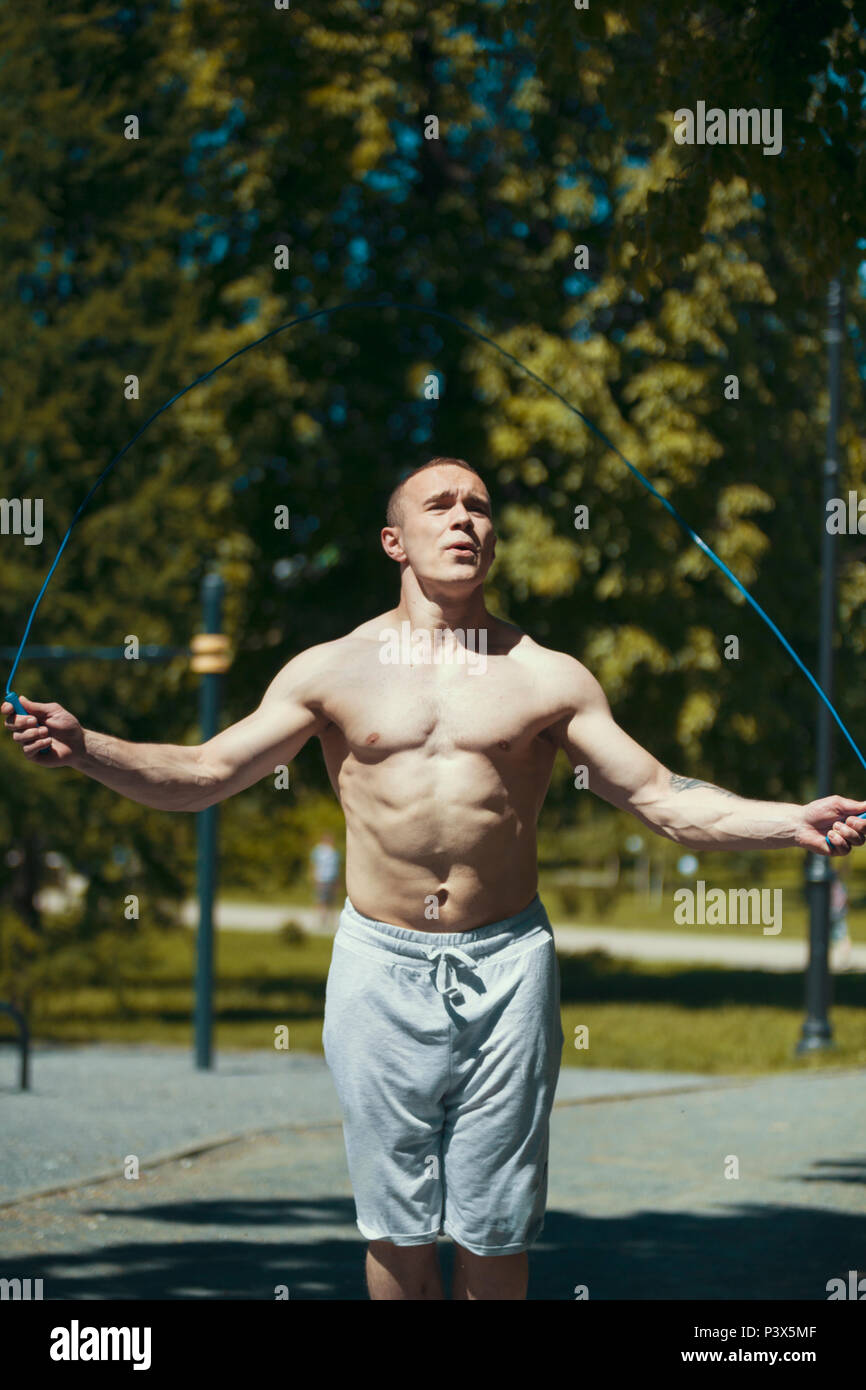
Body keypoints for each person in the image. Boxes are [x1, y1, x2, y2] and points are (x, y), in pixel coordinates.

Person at [5, 455, 866, 1303]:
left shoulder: (549, 676)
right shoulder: (330, 670)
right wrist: (89, 750)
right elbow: (202, 775)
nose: (465, 520)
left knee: (497, 1229)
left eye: (481, 508)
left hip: (509, 964)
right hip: (379, 964)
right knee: (397, 1228)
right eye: (441, 506)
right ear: (394, 540)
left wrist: (788, 820)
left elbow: (659, 796)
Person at [309, 831, 342, 930]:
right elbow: (314, 864)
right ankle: (323, 920)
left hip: (327, 878)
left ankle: (326, 921)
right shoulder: (323, 852)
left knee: (327, 901)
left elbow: (336, 867)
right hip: (324, 878)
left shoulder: (331, 852)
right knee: (324, 900)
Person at [829, 870, 853, 971]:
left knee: (830, 936)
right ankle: (844, 959)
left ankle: (831, 960)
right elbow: (845, 901)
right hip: (839, 914)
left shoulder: (828, 886)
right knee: (843, 936)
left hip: (831, 914)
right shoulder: (840, 887)